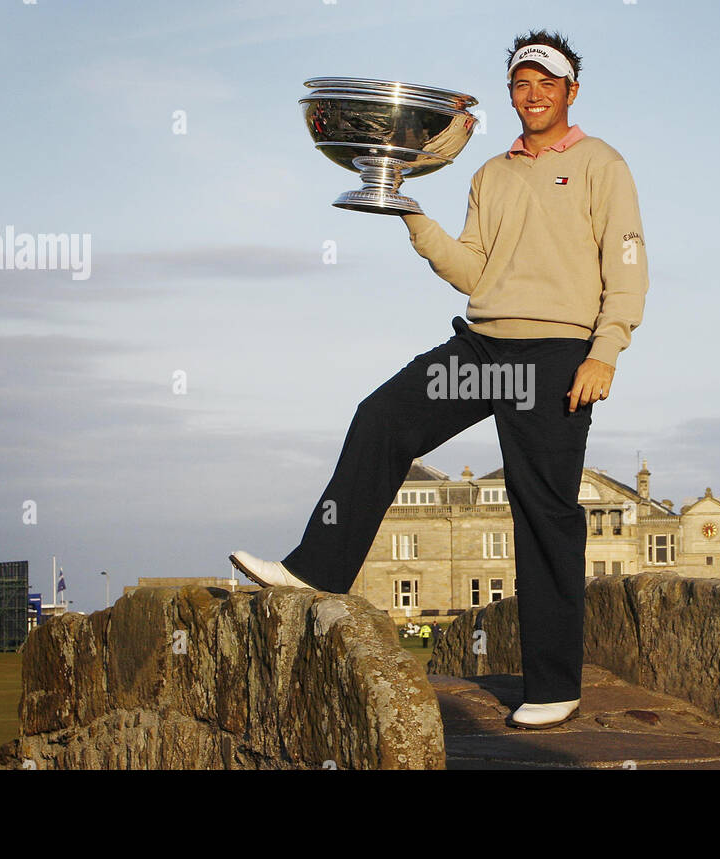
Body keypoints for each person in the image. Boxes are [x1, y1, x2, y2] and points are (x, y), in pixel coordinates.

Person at [229, 29, 648, 731]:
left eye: (546, 82)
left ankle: (554, 685)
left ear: (571, 91)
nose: (533, 93)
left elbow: (627, 268)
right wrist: (412, 216)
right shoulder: (490, 174)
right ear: (511, 93)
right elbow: (474, 271)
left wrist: (605, 352)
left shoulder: (602, 163)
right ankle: (318, 567)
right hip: (483, 346)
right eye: (522, 83)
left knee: (543, 510)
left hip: (557, 355)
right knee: (382, 416)